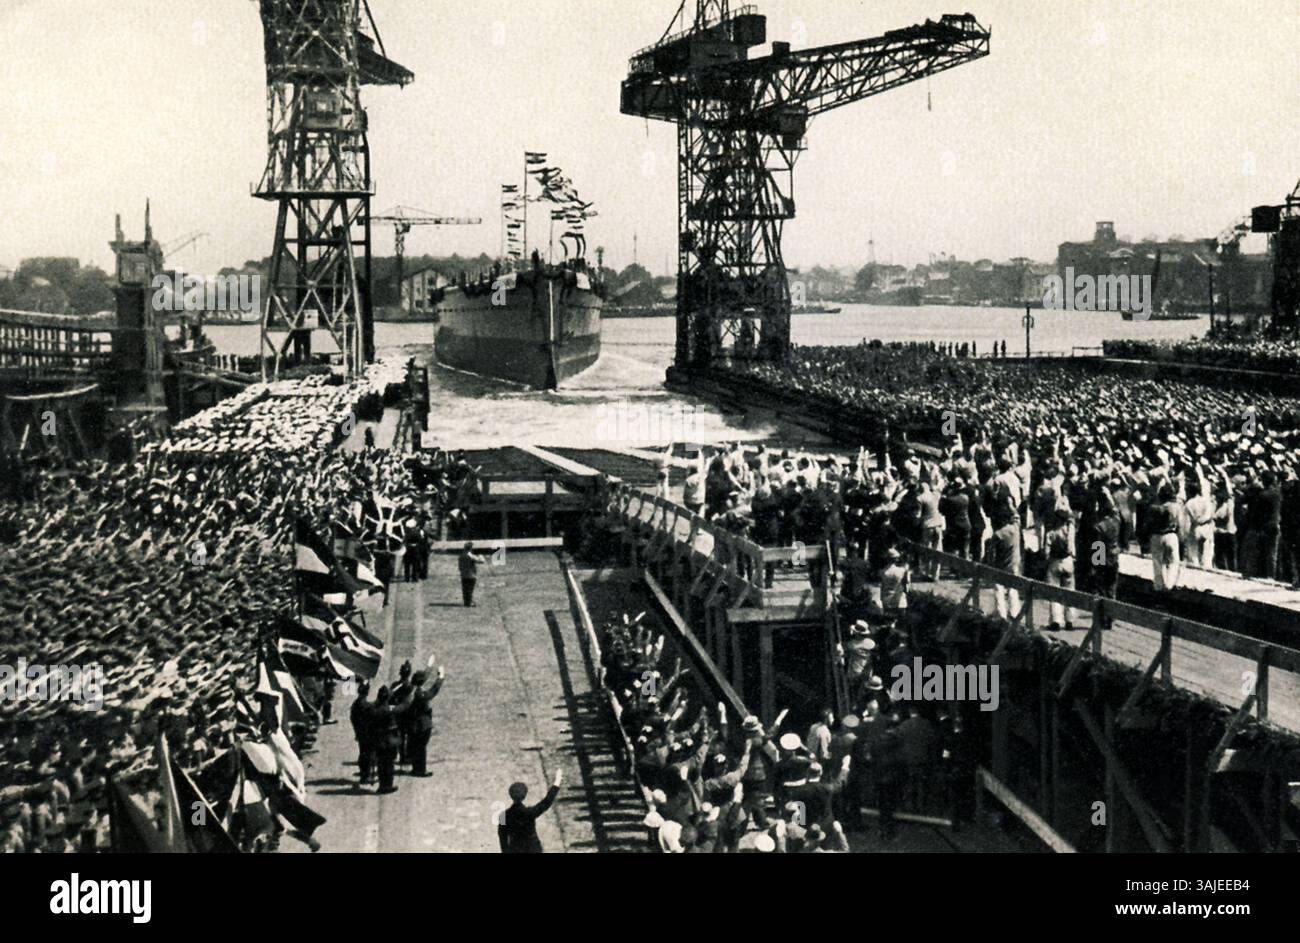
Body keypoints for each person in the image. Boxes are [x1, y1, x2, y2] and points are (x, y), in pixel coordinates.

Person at [498, 769, 563, 853]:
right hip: (532, 849)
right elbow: (546, 802)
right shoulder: (530, 813)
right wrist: (557, 781)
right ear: (525, 795)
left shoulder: (504, 816)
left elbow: (502, 837)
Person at [407, 666, 446, 776]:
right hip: (421, 724)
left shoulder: (412, 690)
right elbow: (433, 691)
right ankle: (420, 770)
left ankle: (416, 768)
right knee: (421, 748)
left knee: (417, 746)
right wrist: (440, 678)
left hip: (415, 723)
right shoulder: (420, 694)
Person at [349, 679, 373, 785]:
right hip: (367, 733)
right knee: (367, 755)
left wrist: (356, 730)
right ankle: (366, 776)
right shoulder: (366, 706)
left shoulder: (355, 704)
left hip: (360, 732)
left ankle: (364, 775)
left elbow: (352, 718)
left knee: (363, 753)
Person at [458, 542, 488, 607]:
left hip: (464, 574)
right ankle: (469, 602)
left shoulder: (461, 555)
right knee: (470, 590)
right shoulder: (470, 556)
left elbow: (460, 566)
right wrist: (480, 555)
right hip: (471, 575)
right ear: (471, 548)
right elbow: (482, 561)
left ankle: (466, 602)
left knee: (465, 590)